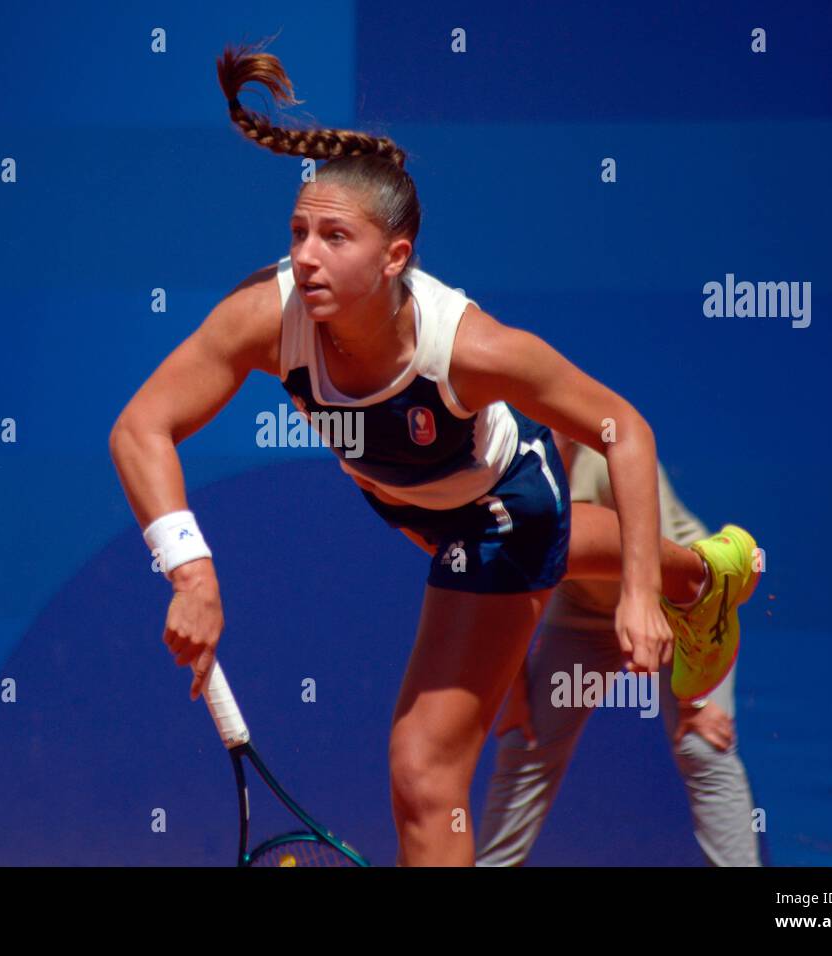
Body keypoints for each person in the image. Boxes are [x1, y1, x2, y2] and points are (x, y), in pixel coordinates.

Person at [108, 39, 760, 866]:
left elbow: (622, 427)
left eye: (334, 237)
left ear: (395, 258)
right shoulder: (266, 316)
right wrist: (192, 574)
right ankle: (703, 577)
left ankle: (687, 581)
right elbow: (140, 427)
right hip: (410, 502)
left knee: (424, 772)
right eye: (299, 231)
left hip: (499, 511)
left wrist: (637, 597)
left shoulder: (468, 347)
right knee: (545, 554)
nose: (305, 255)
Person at [476, 436, 762, 866]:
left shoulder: (614, 463)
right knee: (526, 738)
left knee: (701, 743)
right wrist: (517, 692)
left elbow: (671, 577)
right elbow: (501, 589)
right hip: (584, 609)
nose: (546, 433)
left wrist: (696, 700)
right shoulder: (503, 471)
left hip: (681, 601)